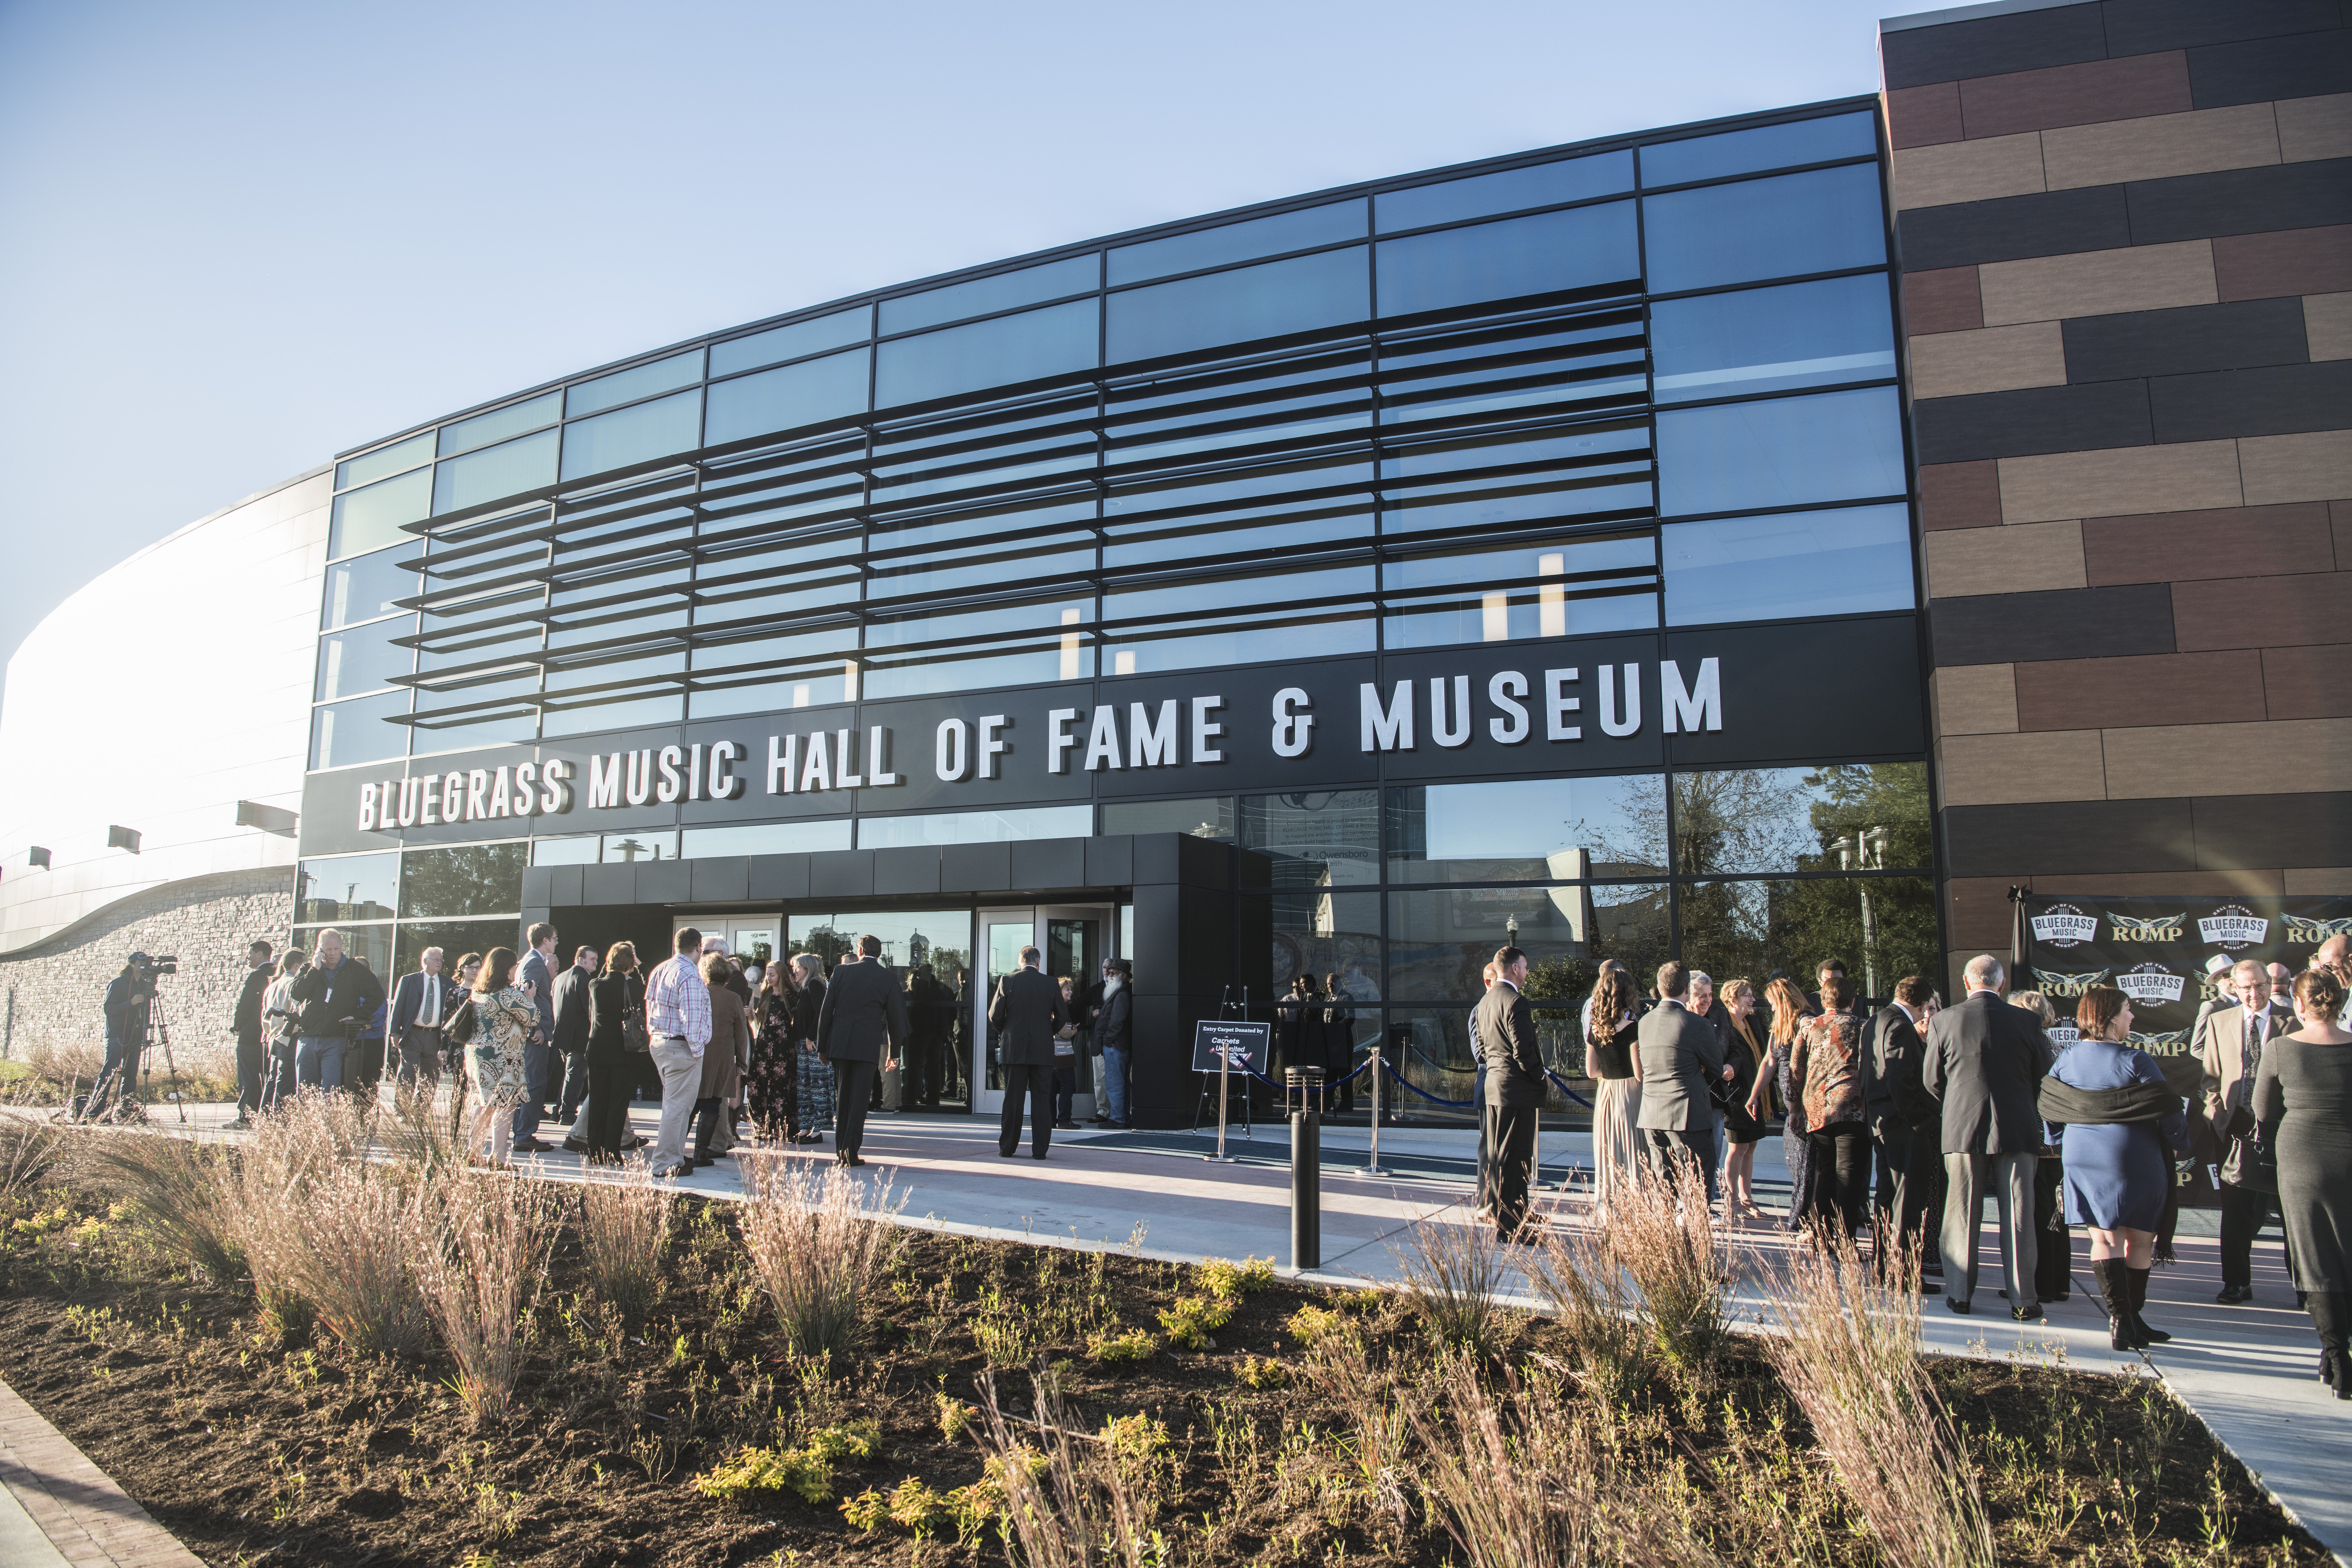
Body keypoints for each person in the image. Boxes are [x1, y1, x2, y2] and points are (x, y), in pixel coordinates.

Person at [2039, 984, 2186, 1351]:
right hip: (2131, 1155)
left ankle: (2123, 1321)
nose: (2132, 1016)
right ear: (2109, 1017)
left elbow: (2050, 1110)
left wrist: (2059, 1142)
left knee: (2104, 1238)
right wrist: (2181, 1140)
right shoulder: (2135, 1060)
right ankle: (2130, 1318)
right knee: (2140, 1238)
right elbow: (2168, 1110)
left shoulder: (2066, 1059)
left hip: (2082, 1155)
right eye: (2127, 1010)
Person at [1924, 955, 2047, 1321]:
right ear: (2002, 982)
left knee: (1960, 1212)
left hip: (1962, 1125)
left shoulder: (1944, 1020)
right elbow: (2043, 1071)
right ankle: (2024, 1299)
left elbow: (1932, 1080)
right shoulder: (2028, 1020)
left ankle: (1960, 1295)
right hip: (2018, 1125)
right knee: (2019, 1214)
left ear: (1965, 982)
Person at [2254, 968, 2352, 1397]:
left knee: (2315, 1260)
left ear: (2299, 1005)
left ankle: (2336, 1359)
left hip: (2301, 1159)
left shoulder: (2280, 1049)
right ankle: (2338, 1356)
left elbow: (2262, 1112)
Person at [2196, 957, 2297, 1304]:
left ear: (2271, 985)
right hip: (2234, 1125)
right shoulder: (2219, 1020)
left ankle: (2305, 1288)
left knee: (2291, 1210)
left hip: (2281, 1127)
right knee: (2236, 1208)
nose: (2254, 993)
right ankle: (2236, 1283)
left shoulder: (2293, 1022)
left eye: (2260, 985)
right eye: (2246, 987)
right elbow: (2211, 1077)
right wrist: (2217, 1116)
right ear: (2234, 988)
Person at [1863, 975, 1941, 1281]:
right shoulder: (1900, 1025)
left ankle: (1885, 1268)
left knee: (1887, 1197)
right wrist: (1919, 1120)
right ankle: (1904, 1273)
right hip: (1900, 1124)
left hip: (1881, 1121)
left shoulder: (1876, 1020)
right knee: (1907, 1201)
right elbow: (1898, 1077)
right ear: (1924, 1005)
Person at [1635, 961, 1727, 1201]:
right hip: (1688, 1114)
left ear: (1659, 987)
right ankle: (1692, 1236)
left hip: (1652, 1113)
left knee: (1663, 1186)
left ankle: (1667, 1236)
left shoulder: (1644, 1022)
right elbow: (1717, 1068)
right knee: (1698, 1184)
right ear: (1687, 988)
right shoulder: (1697, 1023)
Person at [1791, 972, 1872, 1242]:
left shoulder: (1809, 1027)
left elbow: (1796, 1070)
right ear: (1853, 1001)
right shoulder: (1862, 1026)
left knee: (1827, 1171)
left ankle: (1824, 1238)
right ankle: (1847, 1242)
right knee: (1849, 1176)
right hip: (1851, 1106)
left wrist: (1794, 1107)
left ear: (1824, 1000)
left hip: (1817, 1108)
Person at [818, 935, 907, 1167]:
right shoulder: (888, 978)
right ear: (879, 954)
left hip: (840, 1044)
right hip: (868, 1044)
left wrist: (822, 1047)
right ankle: (850, 1152)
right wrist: (894, 1053)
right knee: (860, 1100)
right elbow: (896, 1020)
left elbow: (826, 1012)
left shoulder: (840, 972)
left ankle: (840, 1150)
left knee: (843, 1098)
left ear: (859, 950)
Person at [1478, 945, 1546, 1242]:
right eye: (1526, 967)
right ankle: (1512, 1226)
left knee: (1498, 1157)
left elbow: (1482, 1048)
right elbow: (1523, 1049)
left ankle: (1504, 1214)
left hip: (1494, 1088)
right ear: (1515, 968)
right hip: (1516, 1090)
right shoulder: (1516, 1001)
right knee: (1517, 1159)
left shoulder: (1486, 1001)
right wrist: (1540, 1075)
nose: (1528, 973)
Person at [2008, 990, 2072, 1304]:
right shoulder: (2058, 1044)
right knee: (2055, 1213)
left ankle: (2042, 1282)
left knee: (2038, 1212)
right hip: (2056, 1139)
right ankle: (2058, 1282)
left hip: (2037, 1138)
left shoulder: (2034, 1043)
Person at [643, 927, 712, 1179]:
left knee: (678, 1106)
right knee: (677, 1107)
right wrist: (697, 1050)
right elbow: (692, 1018)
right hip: (681, 1046)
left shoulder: (660, 969)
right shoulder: (689, 975)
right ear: (698, 947)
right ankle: (665, 1162)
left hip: (661, 1042)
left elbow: (650, 1007)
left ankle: (675, 1158)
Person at [989, 944, 1067, 1160]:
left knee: (1013, 1099)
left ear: (1020, 962)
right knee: (1042, 1100)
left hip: (1014, 1048)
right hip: (1042, 1050)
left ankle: (1007, 1147)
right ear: (1038, 963)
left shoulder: (1008, 981)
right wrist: (1046, 1032)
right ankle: (1040, 1150)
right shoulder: (1051, 983)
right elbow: (1062, 1017)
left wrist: (1007, 1031)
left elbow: (994, 1015)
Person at [464, 948, 536, 1168]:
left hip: (479, 1055)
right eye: (515, 967)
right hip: (504, 1057)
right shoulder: (508, 995)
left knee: (485, 1103)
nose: (516, 970)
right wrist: (529, 997)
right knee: (506, 1105)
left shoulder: (479, 992)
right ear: (506, 969)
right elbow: (533, 1018)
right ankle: (499, 1156)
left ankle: (473, 1151)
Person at [289, 928, 384, 1092]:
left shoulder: (354, 969)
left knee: (331, 1093)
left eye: (337, 949)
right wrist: (315, 969)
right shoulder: (308, 968)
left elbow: (377, 996)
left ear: (342, 947)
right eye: (328, 950)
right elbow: (296, 994)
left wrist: (357, 1016)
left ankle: (330, 1119)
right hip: (308, 1038)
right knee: (305, 1093)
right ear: (319, 949)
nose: (333, 954)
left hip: (337, 1038)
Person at [1584, 962, 1643, 1211]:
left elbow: (1591, 1072)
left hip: (1606, 1094)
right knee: (1634, 1152)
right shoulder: (1633, 1029)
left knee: (1609, 1154)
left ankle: (1609, 1207)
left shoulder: (1595, 1031)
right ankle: (1636, 1208)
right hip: (1631, 1093)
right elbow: (1639, 1073)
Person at [583, 942, 644, 1163]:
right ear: (629, 966)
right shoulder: (636, 988)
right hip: (624, 1052)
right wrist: (636, 964)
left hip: (598, 1050)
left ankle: (594, 1151)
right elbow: (645, 985)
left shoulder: (595, 985)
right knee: (618, 1104)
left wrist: (614, 962)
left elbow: (604, 975)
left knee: (598, 1101)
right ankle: (612, 1152)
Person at [692, 951, 751, 1167]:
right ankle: (701, 1154)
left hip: (696, 1054)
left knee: (691, 1104)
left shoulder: (697, 994)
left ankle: (680, 1149)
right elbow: (741, 1032)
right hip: (722, 1057)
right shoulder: (733, 998)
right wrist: (742, 1063)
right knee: (713, 1104)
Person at [1764, 977, 1814, 1230]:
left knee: (1805, 1163)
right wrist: (1755, 1097)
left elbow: (1801, 1068)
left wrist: (1796, 1108)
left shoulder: (1805, 1023)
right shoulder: (1780, 1026)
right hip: (1792, 1105)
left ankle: (1806, 1218)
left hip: (1803, 1105)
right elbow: (1769, 1062)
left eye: (1773, 1003)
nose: (1771, 1009)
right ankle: (1805, 1217)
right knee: (1797, 1163)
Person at [1718, 979, 1768, 1221]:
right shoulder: (1724, 1024)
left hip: (1754, 1094)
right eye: (1747, 996)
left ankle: (1747, 1199)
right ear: (1732, 999)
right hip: (1735, 1096)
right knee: (1737, 1147)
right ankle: (1732, 1201)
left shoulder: (1752, 1023)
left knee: (1751, 1146)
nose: (1753, 1000)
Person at [388, 946, 462, 1099]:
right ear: (425, 961)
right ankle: (403, 1112)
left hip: (435, 1037)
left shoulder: (448, 984)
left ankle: (421, 1113)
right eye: (436, 960)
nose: (440, 963)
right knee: (407, 1074)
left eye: (441, 960)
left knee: (430, 1078)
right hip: (412, 1035)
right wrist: (395, 1032)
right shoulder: (409, 980)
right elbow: (399, 1007)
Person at [513, 923, 560, 1152]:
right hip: (534, 1037)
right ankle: (524, 1135)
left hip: (533, 1034)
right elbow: (525, 995)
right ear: (544, 940)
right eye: (554, 939)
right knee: (534, 1084)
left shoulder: (530, 961)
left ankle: (522, 1132)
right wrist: (535, 1029)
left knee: (530, 1084)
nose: (556, 942)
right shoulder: (533, 962)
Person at [745, 959, 799, 1144]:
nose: (768, 978)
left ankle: (781, 1127)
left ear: (781, 975)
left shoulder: (792, 995)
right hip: (764, 1041)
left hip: (783, 1044)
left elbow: (797, 1020)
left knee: (781, 1084)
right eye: (767, 975)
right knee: (759, 1082)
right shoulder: (765, 994)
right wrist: (750, 1014)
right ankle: (763, 1126)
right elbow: (758, 1022)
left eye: (772, 975)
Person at [97, 953, 157, 1118]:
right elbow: (109, 1010)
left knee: (131, 1075)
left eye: (148, 962)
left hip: (136, 1035)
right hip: (117, 1035)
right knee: (109, 1073)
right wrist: (130, 1003)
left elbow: (147, 1013)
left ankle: (127, 1110)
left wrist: (145, 1035)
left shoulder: (144, 986)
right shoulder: (118, 983)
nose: (146, 965)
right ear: (132, 964)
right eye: (142, 962)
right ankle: (96, 1111)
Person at [228, 939, 275, 1128]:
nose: (247, 958)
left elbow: (245, 1005)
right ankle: (265, 1114)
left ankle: (246, 1116)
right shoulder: (276, 975)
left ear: (260, 955)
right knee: (266, 1077)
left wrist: (237, 1026)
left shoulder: (256, 977)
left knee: (248, 1077)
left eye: (250, 954)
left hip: (251, 1034)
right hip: (269, 1035)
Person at [552, 945, 598, 1125]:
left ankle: (559, 1111)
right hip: (579, 1037)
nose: (596, 962)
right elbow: (591, 1010)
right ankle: (567, 1114)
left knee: (569, 1075)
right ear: (581, 960)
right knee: (575, 1076)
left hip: (561, 1035)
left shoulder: (560, 978)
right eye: (593, 959)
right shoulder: (584, 978)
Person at [790, 953, 833, 1144]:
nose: (795, 971)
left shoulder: (816, 984)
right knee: (805, 1087)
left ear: (807, 968)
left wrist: (810, 1037)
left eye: (798, 967)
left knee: (818, 1087)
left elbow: (822, 1013)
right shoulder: (805, 987)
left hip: (814, 1044)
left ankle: (818, 1131)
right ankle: (806, 1128)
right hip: (803, 1044)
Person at [1469, 960, 1500, 1218]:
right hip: (1489, 1087)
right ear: (1488, 982)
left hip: (1505, 1090)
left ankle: (1501, 1201)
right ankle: (1484, 1203)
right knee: (1488, 1150)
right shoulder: (1479, 1010)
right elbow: (1480, 1055)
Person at [259, 950, 306, 1112]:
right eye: (305, 965)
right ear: (297, 965)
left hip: (273, 1037)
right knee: (285, 1083)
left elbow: (265, 1016)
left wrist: (271, 1032)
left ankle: (265, 1117)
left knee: (272, 1081)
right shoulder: (294, 985)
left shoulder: (271, 987)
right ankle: (280, 1119)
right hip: (289, 1037)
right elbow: (297, 1014)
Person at [1093, 957, 1133, 1129]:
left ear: (1123, 976)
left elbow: (1117, 1022)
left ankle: (1118, 1118)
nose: (1109, 975)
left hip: (1115, 1047)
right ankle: (1120, 1117)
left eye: (1114, 973)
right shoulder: (1119, 991)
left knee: (1114, 1083)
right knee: (1116, 1082)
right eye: (1109, 972)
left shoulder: (1122, 994)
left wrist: (1108, 1040)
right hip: (1116, 1045)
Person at [1051, 976, 1084, 1129]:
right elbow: (1064, 1033)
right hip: (1062, 1055)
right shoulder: (1059, 1008)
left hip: (1053, 1055)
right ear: (1059, 991)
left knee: (1052, 1089)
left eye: (1071, 989)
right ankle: (1064, 1120)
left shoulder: (1052, 1006)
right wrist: (1075, 1030)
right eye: (1067, 990)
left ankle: (1051, 1121)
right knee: (1068, 1086)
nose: (1071, 992)